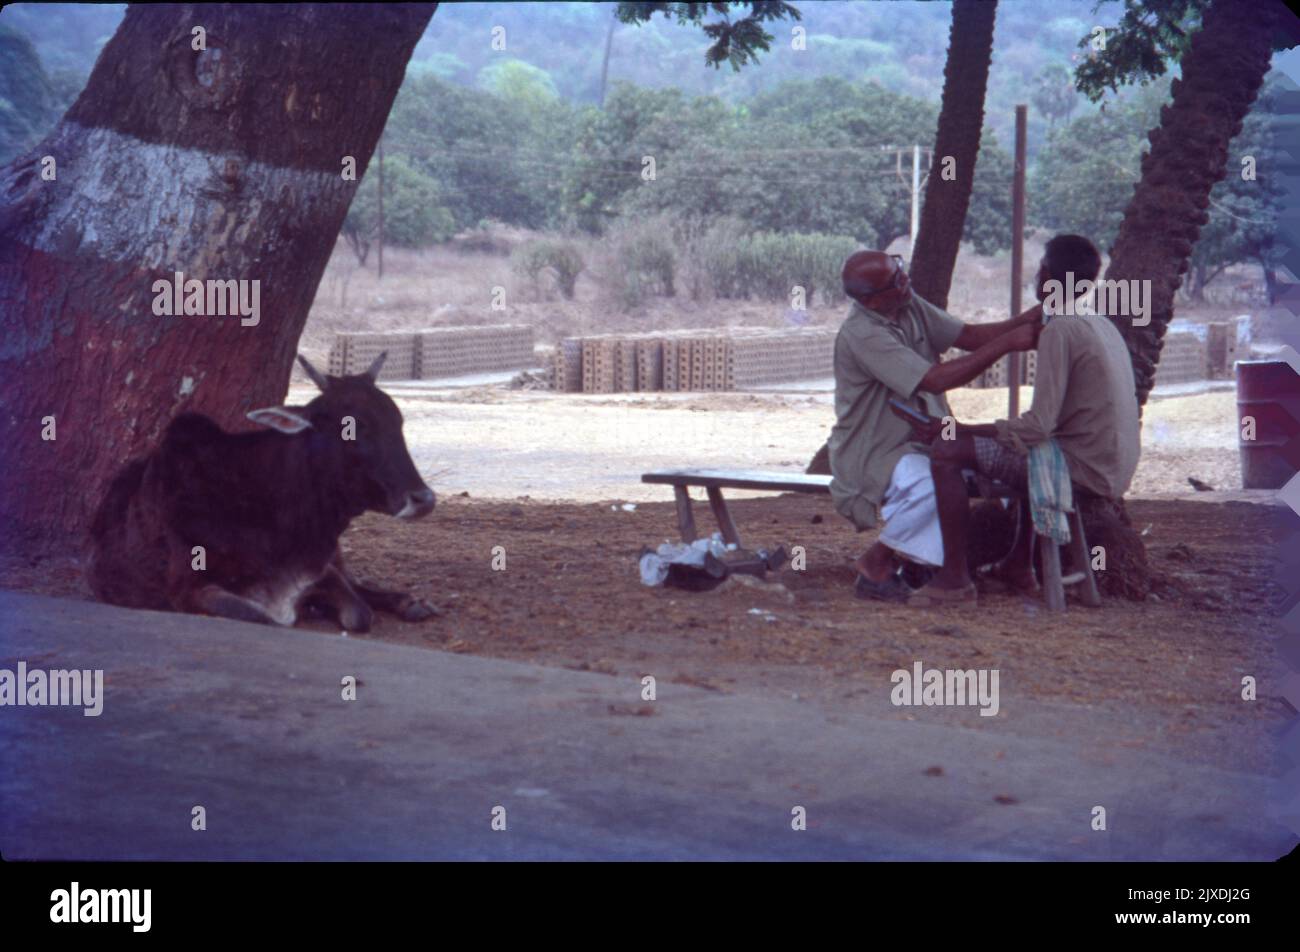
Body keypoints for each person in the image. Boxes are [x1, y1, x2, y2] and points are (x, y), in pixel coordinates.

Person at [892, 234, 1141, 606]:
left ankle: (954, 579)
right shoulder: (1099, 324)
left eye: (1041, 267)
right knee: (1012, 446)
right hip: (1112, 466)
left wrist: (961, 429)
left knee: (946, 451)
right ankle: (1018, 566)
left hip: (1081, 468)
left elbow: (1037, 427)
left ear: (1046, 275)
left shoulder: (1060, 330)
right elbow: (1048, 426)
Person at [829, 250, 1042, 601]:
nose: (905, 281)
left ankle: (975, 563)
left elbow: (969, 335)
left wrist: (1025, 320)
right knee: (933, 484)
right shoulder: (862, 334)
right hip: (875, 451)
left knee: (982, 472)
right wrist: (1007, 344)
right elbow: (934, 380)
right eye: (896, 281)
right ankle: (876, 562)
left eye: (901, 271)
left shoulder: (907, 303)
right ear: (871, 299)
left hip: (924, 440)